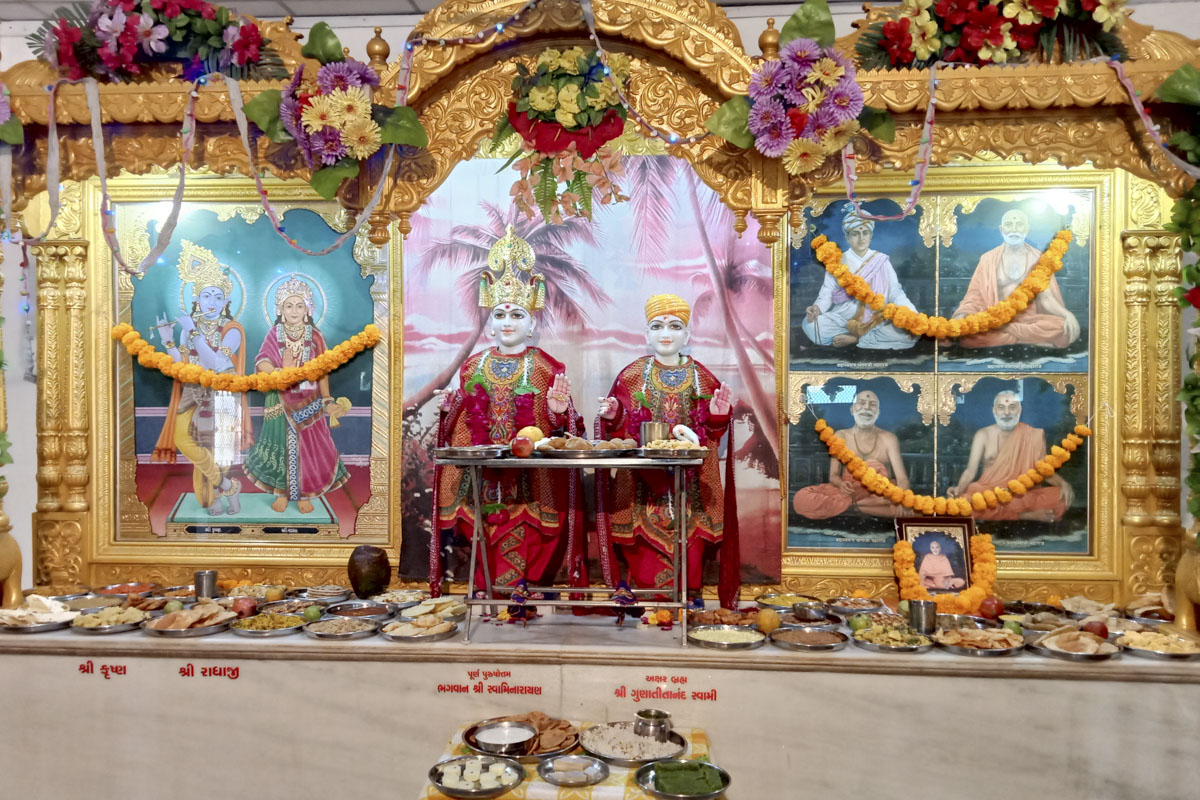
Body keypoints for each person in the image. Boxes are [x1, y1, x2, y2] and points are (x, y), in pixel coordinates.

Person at [430, 227, 585, 596]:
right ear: (490, 324)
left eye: (517, 314)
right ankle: (496, 600)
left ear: (532, 323)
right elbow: (464, 424)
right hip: (483, 480)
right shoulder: (473, 367)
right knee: (488, 532)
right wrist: (449, 412)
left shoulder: (548, 366)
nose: (508, 322)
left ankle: (512, 599)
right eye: (500, 314)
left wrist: (557, 412)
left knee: (522, 535)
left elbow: (565, 432)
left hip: (532, 481)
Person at [596, 293, 740, 609]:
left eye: (675, 326)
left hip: (691, 487)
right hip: (641, 487)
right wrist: (613, 415)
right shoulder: (631, 376)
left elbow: (714, 436)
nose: (666, 333)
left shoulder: (702, 378)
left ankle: (686, 598)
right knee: (644, 544)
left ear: (687, 335)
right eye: (657, 326)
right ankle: (650, 603)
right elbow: (618, 432)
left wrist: (717, 415)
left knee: (689, 540)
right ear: (647, 335)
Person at [151, 241, 253, 516]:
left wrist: (193, 332)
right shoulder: (188, 329)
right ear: (197, 299)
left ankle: (218, 496)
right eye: (207, 296)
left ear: (227, 302)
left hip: (222, 391)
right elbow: (181, 365)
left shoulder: (232, 329)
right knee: (183, 438)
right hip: (192, 390)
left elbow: (218, 364)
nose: (212, 302)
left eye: (218, 297)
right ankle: (228, 485)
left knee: (219, 449)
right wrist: (169, 340)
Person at [242, 275, 349, 514]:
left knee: (308, 448)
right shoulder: (274, 334)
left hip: (309, 402)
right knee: (281, 444)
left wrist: (328, 399)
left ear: (308, 309)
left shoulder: (316, 336)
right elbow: (261, 362)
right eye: (288, 305)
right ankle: (282, 492)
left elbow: (323, 371)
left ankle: (304, 493)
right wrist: (282, 372)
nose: (294, 310)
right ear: (280, 309)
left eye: (299, 305)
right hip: (280, 399)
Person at [951, 209, 1080, 349]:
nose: (1014, 229)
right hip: (994, 318)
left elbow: (1046, 298)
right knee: (968, 336)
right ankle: (1028, 339)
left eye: (1019, 224)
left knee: (1061, 327)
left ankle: (1009, 335)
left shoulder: (1039, 259)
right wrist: (962, 315)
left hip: (1028, 320)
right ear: (1001, 230)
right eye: (1009, 224)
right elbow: (975, 295)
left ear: (1027, 229)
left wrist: (1067, 315)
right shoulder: (987, 259)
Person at [947, 390, 1073, 521]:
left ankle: (1011, 514)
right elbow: (970, 471)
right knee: (967, 503)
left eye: (1012, 407)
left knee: (1061, 496)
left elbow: (1043, 470)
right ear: (994, 410)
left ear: (1019, 409)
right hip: (990, 494)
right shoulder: (983, 435)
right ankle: (1026, 516)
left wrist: (1063, 483)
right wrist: (959, 488)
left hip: (1021, 495)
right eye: (1001, 407)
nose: (1007, 413)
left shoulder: (1033, 435)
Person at [801, 210, 918, 350]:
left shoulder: (882, 261)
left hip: (877, 319)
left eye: (865, 233)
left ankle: (855, 339)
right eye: (855, 234)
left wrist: (911, 313)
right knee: (810, 325)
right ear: (847, 237)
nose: (861, 238)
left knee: (910, 330)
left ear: (871, 236)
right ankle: (866, 338)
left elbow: (896, 293)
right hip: (844, 319)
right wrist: (816, 308)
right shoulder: (837, 261)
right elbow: (826, 293)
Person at [792, 390, 912, 519]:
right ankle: (858, 505)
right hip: (849, 492)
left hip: (879, 493)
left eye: (872, 404)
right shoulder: (841, 436)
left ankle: (851, 506)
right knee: (801, 498)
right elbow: (833, 475)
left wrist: (902, 500)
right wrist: (841, 484)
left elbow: (902, 478)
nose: (867, 407)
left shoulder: (889, 438)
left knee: (908, 509)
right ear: (852, 409)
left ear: (878, 412)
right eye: (861, 403)